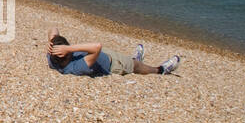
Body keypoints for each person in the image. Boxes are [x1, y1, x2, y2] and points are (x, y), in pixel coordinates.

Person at [45, 28, 181, 77]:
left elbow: (54, 29)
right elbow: (97, 46)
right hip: (115, 64)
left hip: (100, 55)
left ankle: (136, 59)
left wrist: (52, 43)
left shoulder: (53, 58)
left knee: (131, 60)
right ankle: (160, 70)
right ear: (66, 52)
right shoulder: (76, 67)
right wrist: (69, 48)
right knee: (135, 66)